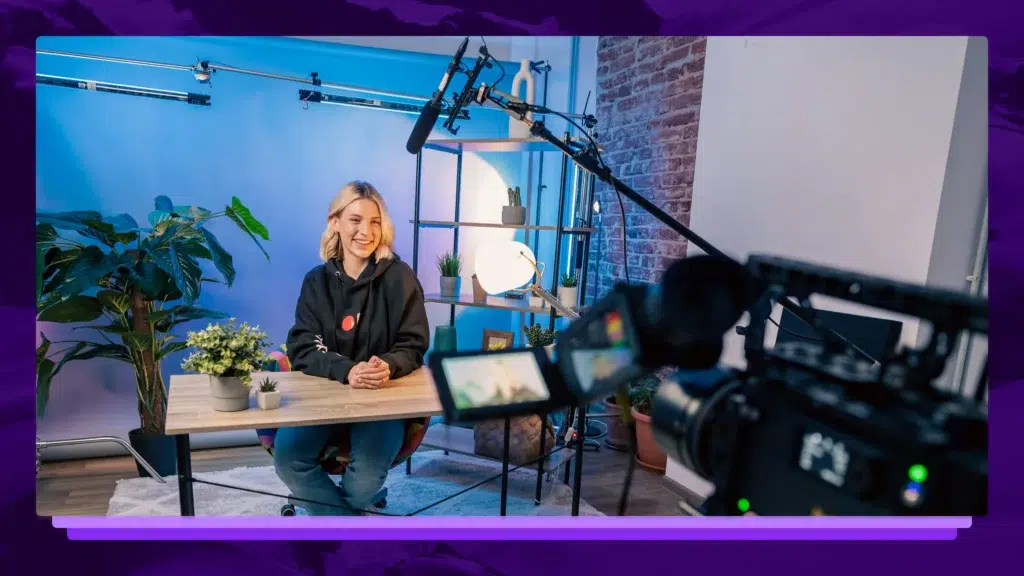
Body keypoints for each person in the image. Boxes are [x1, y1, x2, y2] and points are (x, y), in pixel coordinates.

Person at [275, 180, 430, 516]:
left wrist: (388, 365)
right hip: (323, 397)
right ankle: (348, 537)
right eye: (355, 220)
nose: (365, 231)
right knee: (288, 461)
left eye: (374, 222)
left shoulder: (400, 277)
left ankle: (336, 533)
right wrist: (347, 370)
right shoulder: (316, 281)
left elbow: (413, 344)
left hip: (381, 401)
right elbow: (303, 346)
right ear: (336, 223)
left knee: (363, 485)